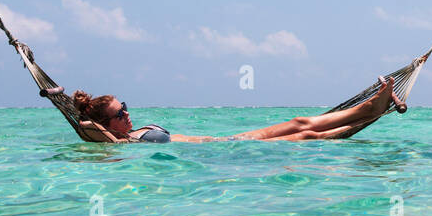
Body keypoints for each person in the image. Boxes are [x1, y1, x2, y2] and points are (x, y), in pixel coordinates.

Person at [71, 77, 403, 143]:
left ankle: (369, 106)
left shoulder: (131, 132)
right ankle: (372, 112)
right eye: (119, 114)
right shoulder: (119, 145)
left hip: (229, 139)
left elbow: (98, 125)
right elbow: (89, 128)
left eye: (124, 107)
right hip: (227, 149)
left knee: (299, 121)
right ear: (108, 125)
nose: (126, 114)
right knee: (308, 134)